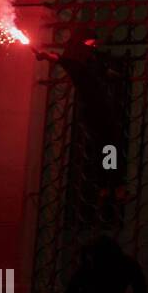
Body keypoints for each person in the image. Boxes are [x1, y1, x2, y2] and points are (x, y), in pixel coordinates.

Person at [33, 25, 131, 229]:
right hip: (94, 109)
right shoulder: (73, 60)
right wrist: (43, 55)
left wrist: (114, 74)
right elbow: (57, 58)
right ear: (80, 42)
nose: (93, 45)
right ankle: (109, 186)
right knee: (105, 146)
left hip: (102, 106)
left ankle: (111, 186)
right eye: (89, 42)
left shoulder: (91, 59)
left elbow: (105, 72)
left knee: (110, 145)